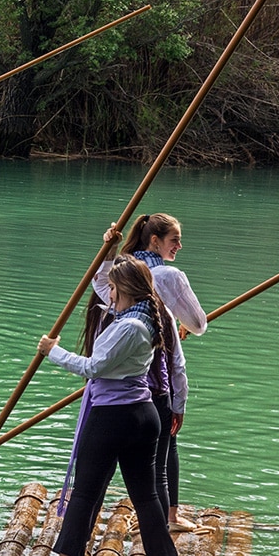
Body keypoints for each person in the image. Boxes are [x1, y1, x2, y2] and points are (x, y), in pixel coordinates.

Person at [38, 255, 180, 556]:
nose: (109, 295)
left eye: (114, 289)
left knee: (85, 493)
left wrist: (51, 352)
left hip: (113, 419)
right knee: (146, 498)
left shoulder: (129, 326)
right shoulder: (144, 315)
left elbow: (94, 367)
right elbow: (100, 282)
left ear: (126, 289)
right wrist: (110, 245)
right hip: (144, 417)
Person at [103, 213, 208, 532]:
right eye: (174, 239)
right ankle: (167, 518)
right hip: (160, 371)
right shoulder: (169, 275)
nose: (179, 246)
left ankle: (154, 513)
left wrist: (108, 250)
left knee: (137, 445)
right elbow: (199, 324)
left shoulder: (121, 268)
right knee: (166, 441)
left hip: (122, 370)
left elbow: (101, 294)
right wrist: (181, 325)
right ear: (155, 240)